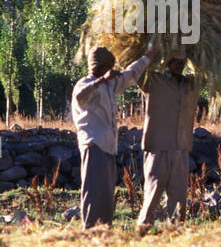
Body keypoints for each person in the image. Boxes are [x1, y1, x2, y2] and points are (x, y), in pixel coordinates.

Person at [71, 39, 159, 228]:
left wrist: (148, 56)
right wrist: (102, 79)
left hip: (108, 146)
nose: (111, 69)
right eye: (108, 66)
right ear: (101, 67)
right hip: (93, 144)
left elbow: (131, 74)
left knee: (105, 192)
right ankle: (90, 229)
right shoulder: (85, 84)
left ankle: (104, 228)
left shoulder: (109, 86)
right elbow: (80, 97)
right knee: (93, 190)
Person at [136, 52, 200, 236]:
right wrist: (151, 52)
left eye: (182, 61)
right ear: (167, 62)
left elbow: (209, 71)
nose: (178, 65)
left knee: (179, 195)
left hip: (181, 146)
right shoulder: (153, 81)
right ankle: (143, 230)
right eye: (174, 61)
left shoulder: (191, 84)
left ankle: (175, 231)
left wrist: (198, 54)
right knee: (153, 192)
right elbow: (135, 70)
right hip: (158, 146)